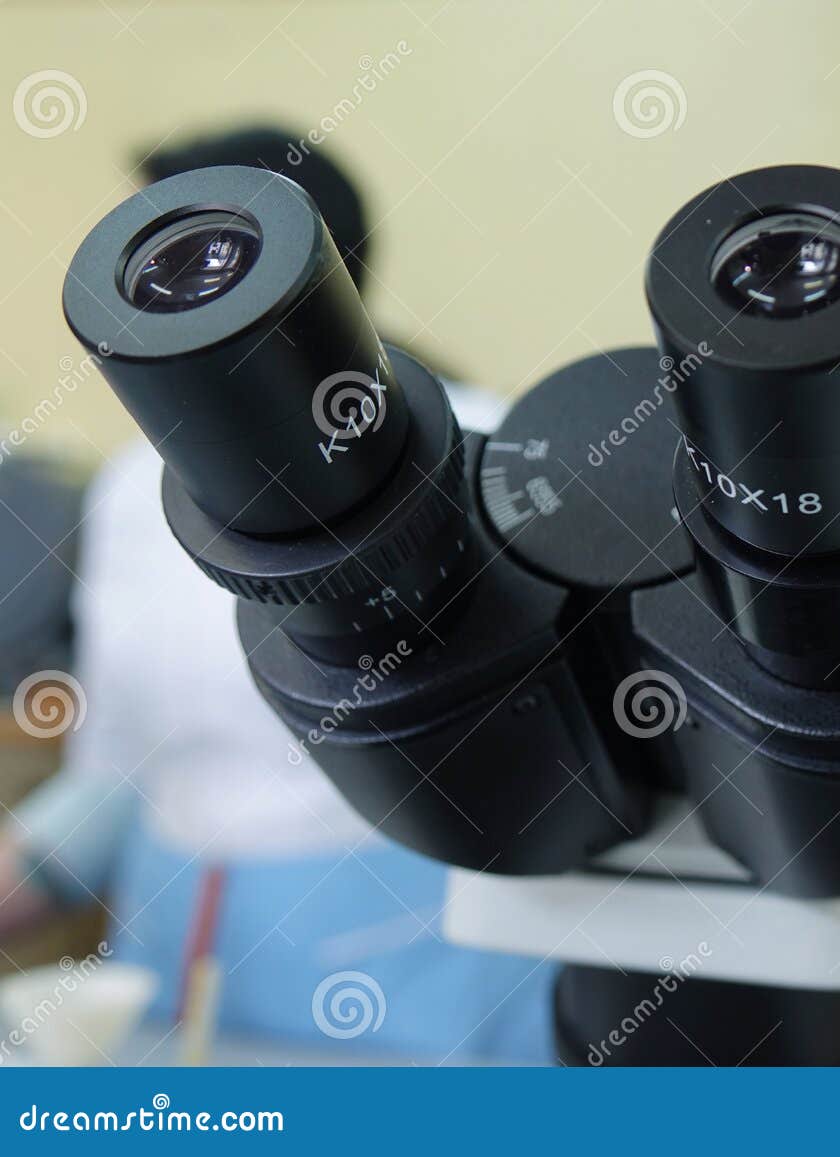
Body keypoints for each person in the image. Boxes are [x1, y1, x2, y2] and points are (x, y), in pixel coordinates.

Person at [0, 127, 554, 1063]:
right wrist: (29, 863)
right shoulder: (137, 492)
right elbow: (129, 760)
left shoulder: (490, 448)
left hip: (413, 961)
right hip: (176, 953)